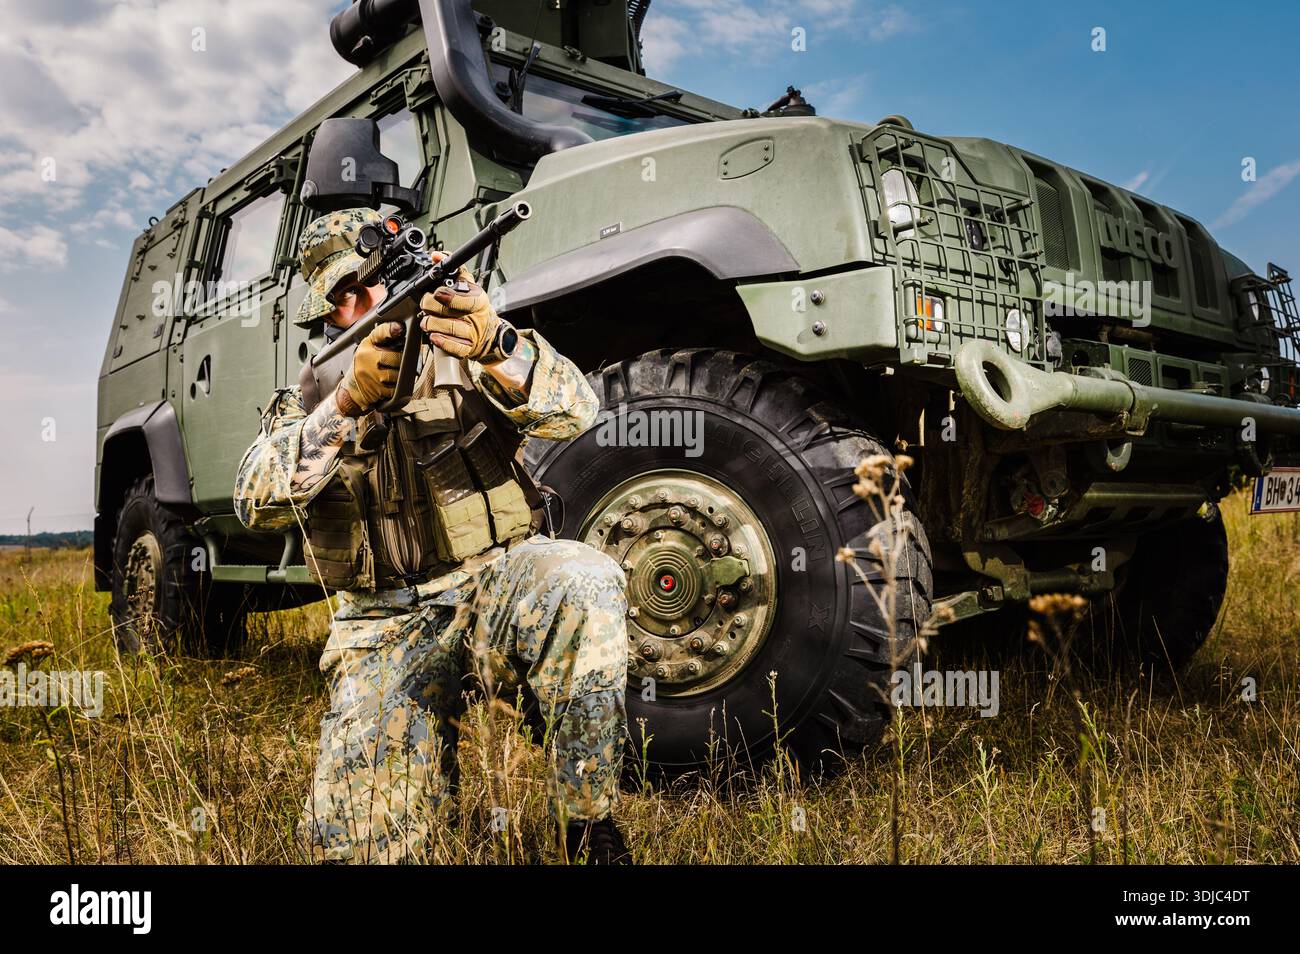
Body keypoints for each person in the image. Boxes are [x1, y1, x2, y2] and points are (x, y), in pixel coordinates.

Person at [233, 207, 631, 864]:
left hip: (495, 584)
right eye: (342, 295)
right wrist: (345, 405)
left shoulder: (470, 349)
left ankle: (588, 819)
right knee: (361, 846)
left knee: (584, 581)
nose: (362, 302)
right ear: (323, 315)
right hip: (379, 624)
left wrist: (497, 343)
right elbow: (256, 502)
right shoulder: (309, 396)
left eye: (371, 283)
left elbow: (577, 411)